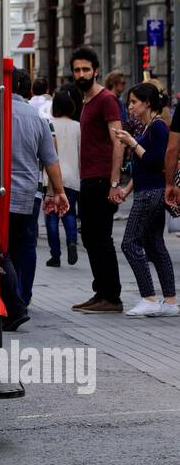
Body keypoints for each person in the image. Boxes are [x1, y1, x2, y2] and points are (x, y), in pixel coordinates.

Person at [6, 68, 69, 324]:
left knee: (4, 249)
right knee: (27, 245)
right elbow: (50, 160)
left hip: (0, 195)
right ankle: (24, 295)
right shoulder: (38, 118)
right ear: (28, 90)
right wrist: (59, 192)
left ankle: (11, 302)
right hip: (29, 193)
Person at [113, 83, 178, 317]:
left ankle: (149, 297)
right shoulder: (149, 126)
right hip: (146, 190)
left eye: (134, 102)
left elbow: (153, 161)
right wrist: (127, 189)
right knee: (154, 245)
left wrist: (132, 143)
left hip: (151, 193)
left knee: (129, 243)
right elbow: (141, 169)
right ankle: (169, 301)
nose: (130, 107)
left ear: (147, 103)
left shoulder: (158, 127)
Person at [70, 47, 124, 313]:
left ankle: (111, 297)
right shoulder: (86, 101)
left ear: (96, 71)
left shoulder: (106, 100)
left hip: (101, 179)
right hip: (88, 179)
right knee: (91, 237)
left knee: (101, 238)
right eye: (77, 70)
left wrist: (114, 182)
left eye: (86, 70)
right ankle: (100, 291)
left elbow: (118, 142)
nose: (81, 74)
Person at [44, 87, 80, 268]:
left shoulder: (49, 124)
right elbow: (81, 153)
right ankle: (72, 241)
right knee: (69, 212)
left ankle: (55, 255)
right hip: (72, 176)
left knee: (51, 216)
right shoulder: (77, 126)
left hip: (52, 176)